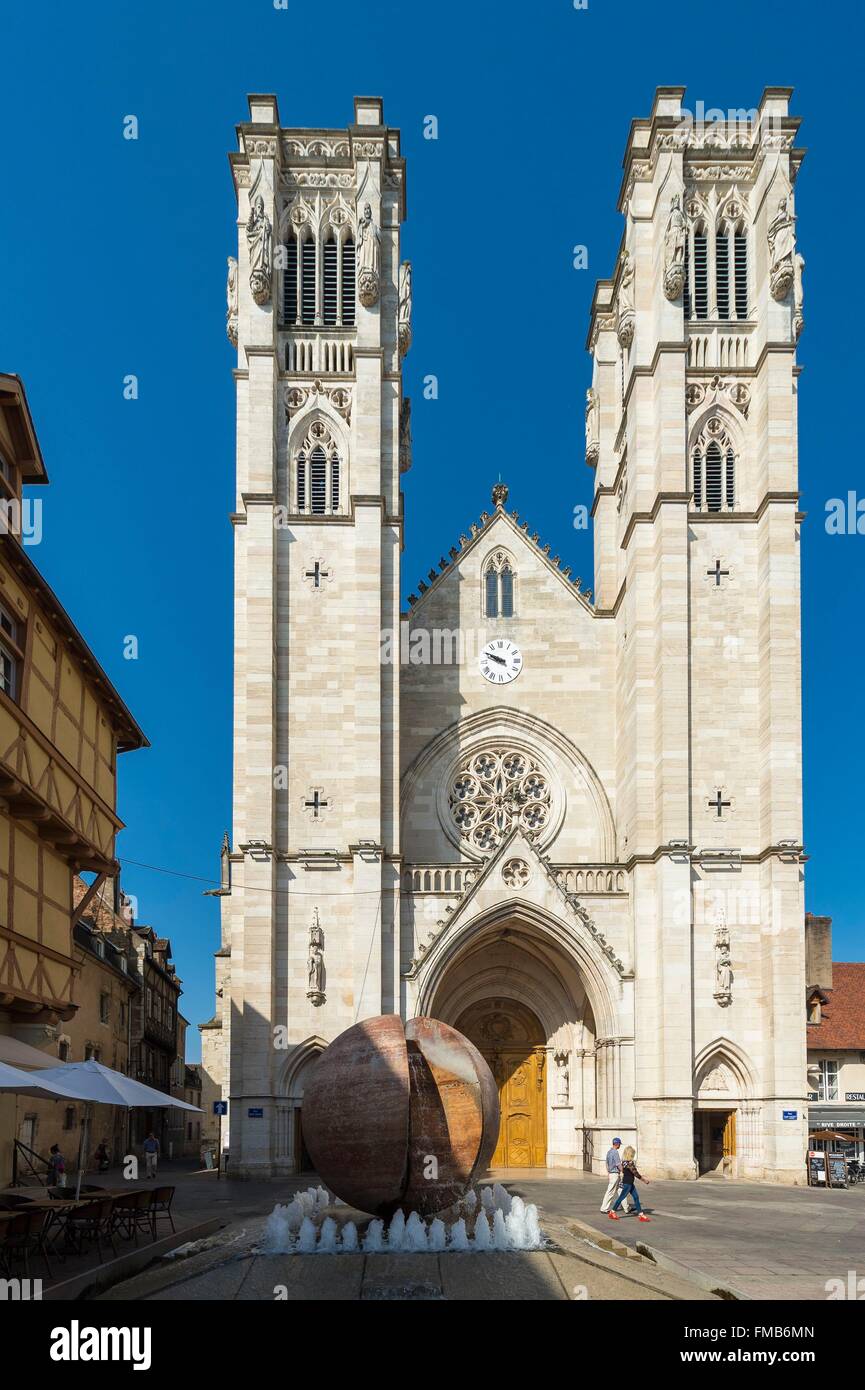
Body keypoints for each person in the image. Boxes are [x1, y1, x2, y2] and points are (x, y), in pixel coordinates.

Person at [609, 1145, 651, 1222]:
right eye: (633, 1154)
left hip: (629, 1182)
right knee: (621, 1197)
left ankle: (641, 1215)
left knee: (636, 1197)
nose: (634, 1155)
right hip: (627, 1183)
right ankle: (612, 1212)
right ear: (630, 1154)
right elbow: (636, 1173)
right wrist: (644, 1180)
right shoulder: (630, 1163)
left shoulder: (624, 1162)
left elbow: (628, 1172)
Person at [600, 1137, 624, 1213]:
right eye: (619, 1144)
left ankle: (626, 1207)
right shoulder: (615, 1152)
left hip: (611, 1173)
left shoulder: (609, 1152)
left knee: (621, 1190)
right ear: (617, 1144)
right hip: (615, 1174)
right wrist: (623, 1171)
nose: (620, 1145)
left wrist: (608, 1172)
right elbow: (618, 1164)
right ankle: (604, 1208)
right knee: (610, 1192)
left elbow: (606, 1163)